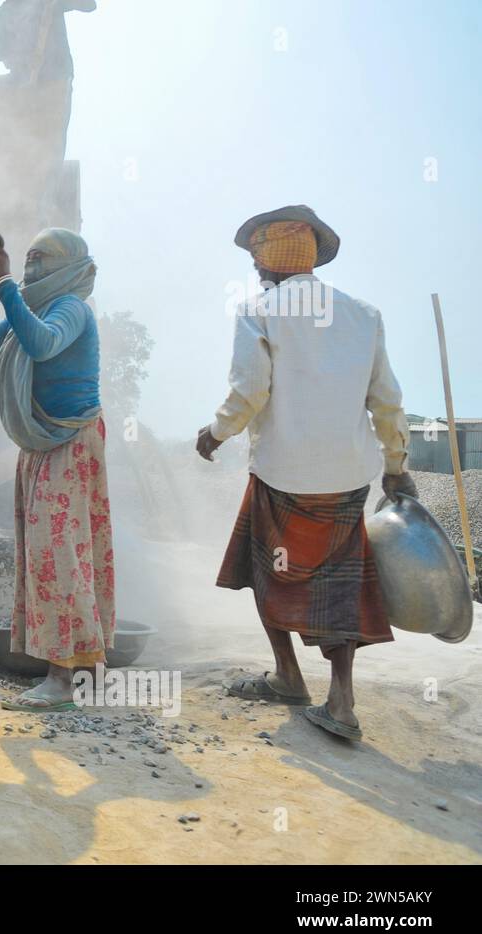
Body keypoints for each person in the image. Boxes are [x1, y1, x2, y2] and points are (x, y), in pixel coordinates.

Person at [197, 205, 415, 742]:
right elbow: (386, 400)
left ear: (269, 262)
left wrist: (216, 433)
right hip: (347, 476)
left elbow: (250, 390)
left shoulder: (259, 309)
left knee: (265, 566)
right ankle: (341, 699)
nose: (255, 269)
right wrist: (395, 468)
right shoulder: (364, 314)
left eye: (256, 258)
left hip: (281, 473)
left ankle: (288, 675)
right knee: (341, 582)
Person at [0, 229, 115, 712]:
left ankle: (63, 679)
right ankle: (77, 669)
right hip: (42, 446)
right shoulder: (28, 311)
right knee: (49, 551)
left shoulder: (69, 308)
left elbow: (43, 346)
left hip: (69, 441)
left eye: (38, 257)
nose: (29, 265)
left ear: (66, 264)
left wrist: (3, 282)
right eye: (26, 258)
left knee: (58, 553)